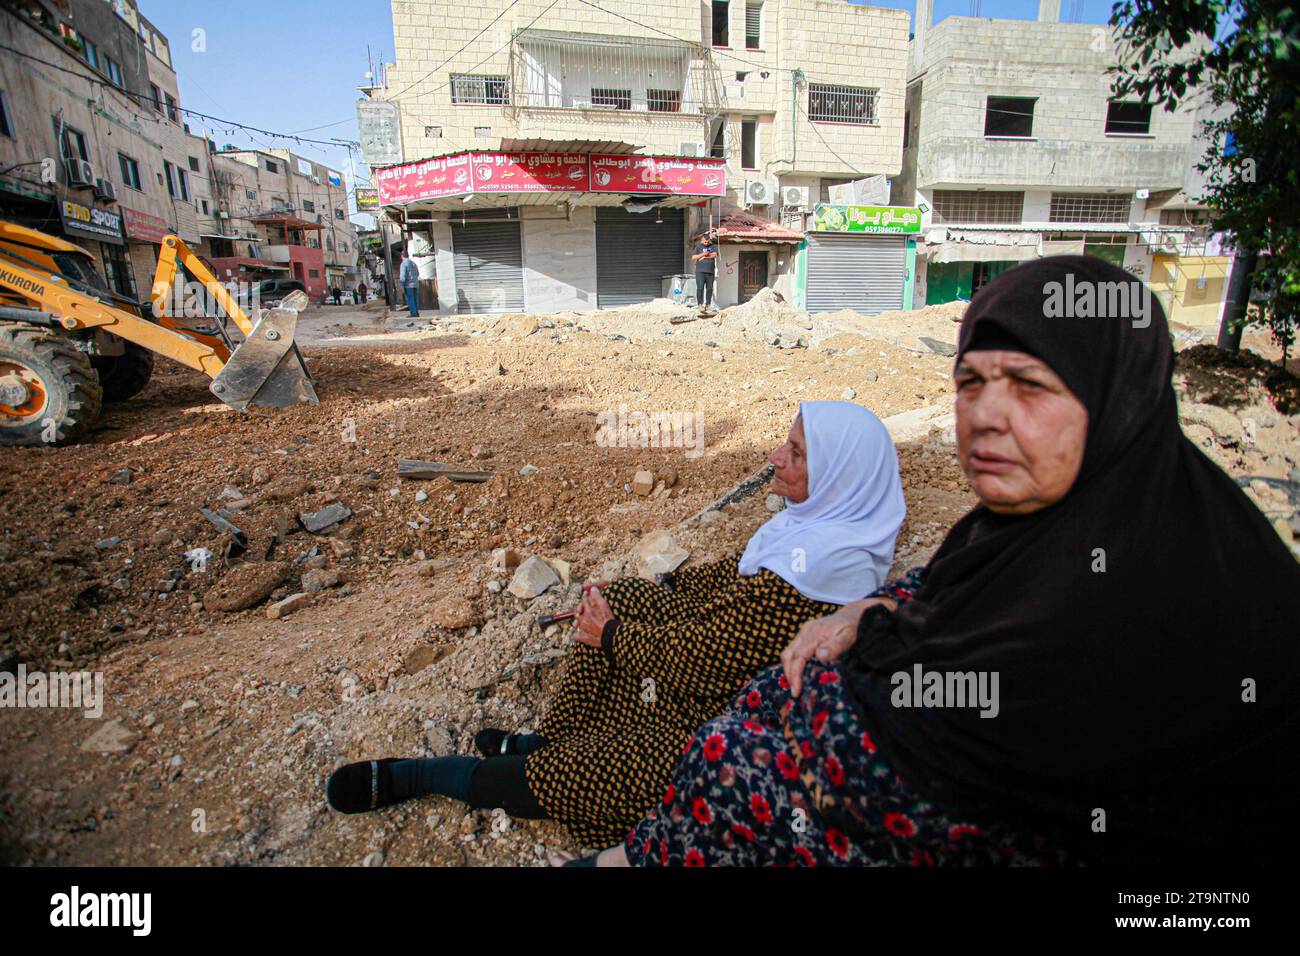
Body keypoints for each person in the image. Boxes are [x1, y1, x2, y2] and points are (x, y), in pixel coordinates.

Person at [564, 254, 1300, 867]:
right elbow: (934, 594)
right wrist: (873, 608)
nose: (985, 416)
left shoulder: (1160, 584)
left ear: (1118, 401)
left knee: (732, 761)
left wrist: (801, 690)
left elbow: (911, 760)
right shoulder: (1039, 518)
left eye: (1032, 387)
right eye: (971, 383)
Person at [324, 402, 907, 848]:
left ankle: (433, 777)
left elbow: (705, 658)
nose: (776, 456)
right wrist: (661, 591)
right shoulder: (819, 526)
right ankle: (555, 737)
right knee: (620, 597)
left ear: (841, 479)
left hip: (733, 718)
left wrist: (612, 636)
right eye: (787, 441)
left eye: (798, 453)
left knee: (610, 768)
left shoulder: (828, 565)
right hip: (715, 669)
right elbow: (731, 579)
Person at [692, 233, 717, 311]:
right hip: (700, 272)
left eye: (707, 241)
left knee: (709, 289)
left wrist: (704, 257)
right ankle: (700, 305)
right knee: (700, 288)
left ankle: (708, 305)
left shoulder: (712, 246)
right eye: (705, 242)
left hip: (710, 272)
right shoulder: (698, 247)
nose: (706, 243)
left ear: (709, 240)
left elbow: (714, 254)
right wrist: (703, 254)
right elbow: (693, 257)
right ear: (702, 240)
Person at [399, 250, 420, 317]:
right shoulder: (413, 263)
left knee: (410, 299)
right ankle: (416, 312)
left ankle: (413, 313)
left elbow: (403, 276)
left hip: (408, 285)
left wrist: (401, 285)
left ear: (402, 256)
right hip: (415, 284)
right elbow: (417, 273)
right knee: (415, 299)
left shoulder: (403, 264)